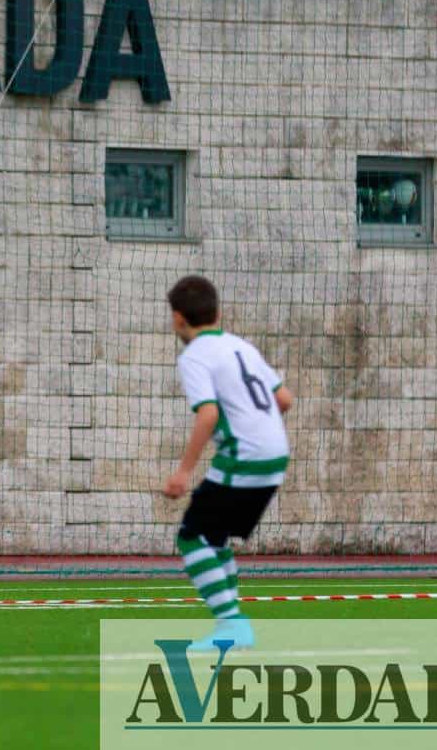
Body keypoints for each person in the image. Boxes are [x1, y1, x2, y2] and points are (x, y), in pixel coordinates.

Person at [161, 276, 295, 650]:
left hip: (246, 454)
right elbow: (284, 399)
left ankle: (232, 625)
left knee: (192, 537)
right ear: (219, 312)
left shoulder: (194, 356)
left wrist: (184, 471)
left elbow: (207, 414)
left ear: (177, 319)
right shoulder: (241, 347)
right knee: (215, 536)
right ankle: (232, 623)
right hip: (275, 452)